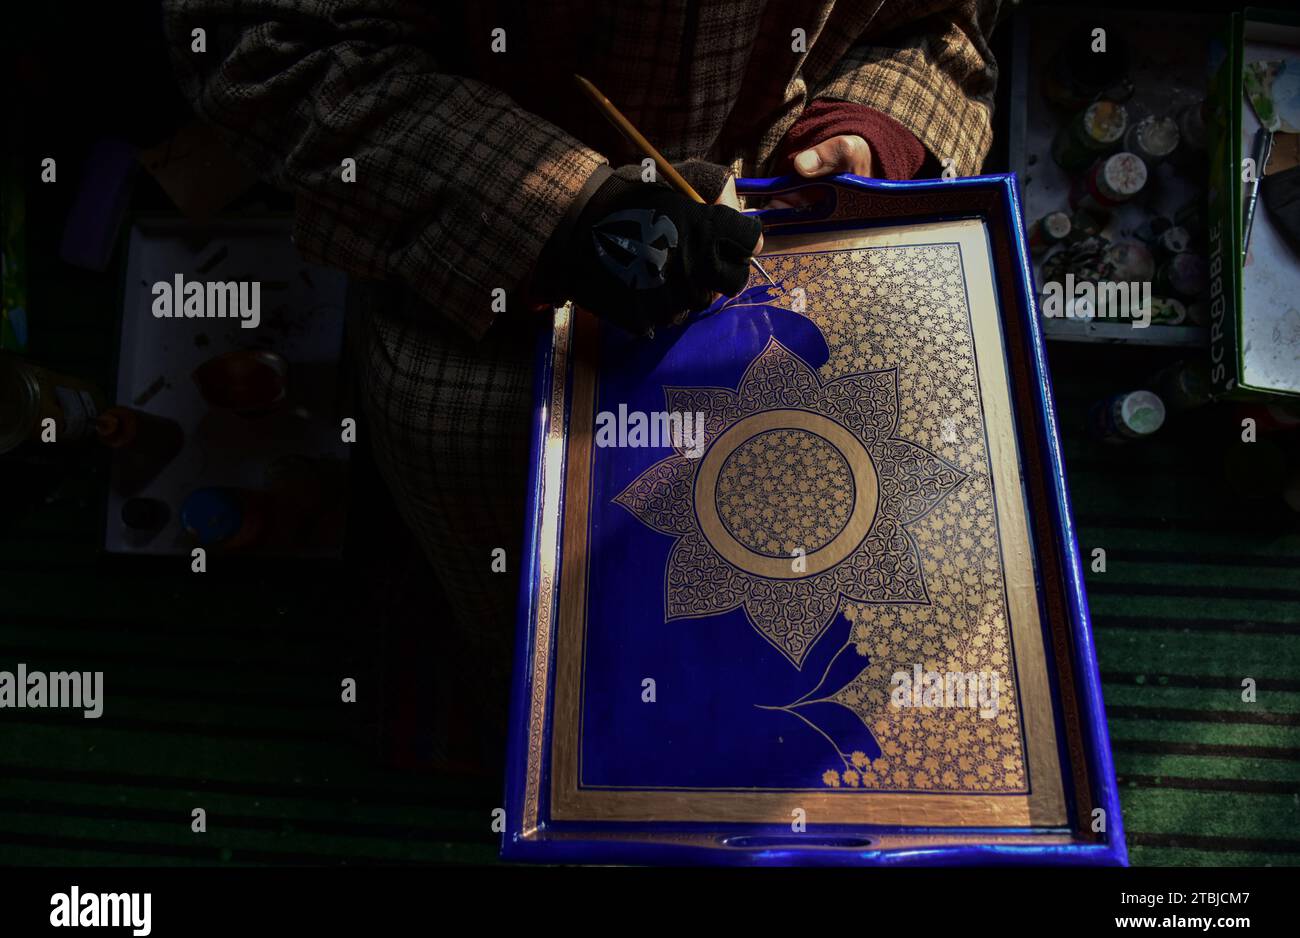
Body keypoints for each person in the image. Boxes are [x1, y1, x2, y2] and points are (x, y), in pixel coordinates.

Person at [161, 0, 1002, 761]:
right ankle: (546, 725)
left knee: (851, 573)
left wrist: (871, 128)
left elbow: (942, 31)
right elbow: (262, 47)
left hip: (773, 231)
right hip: (474, 263)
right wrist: (565, 213)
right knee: (521, 584)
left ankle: (718, 723)